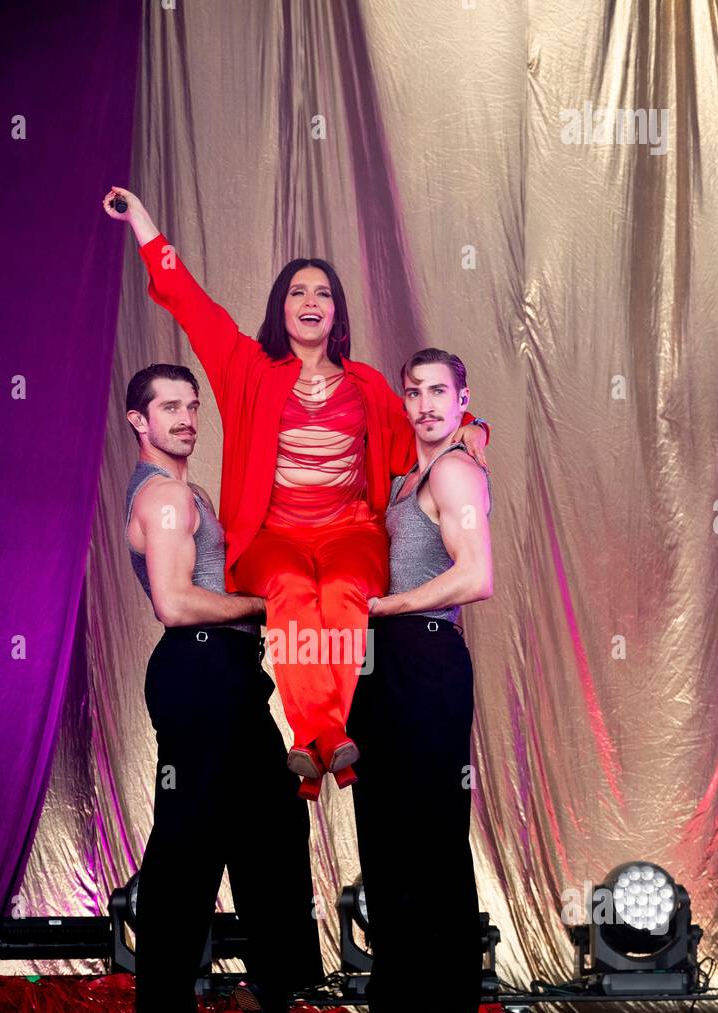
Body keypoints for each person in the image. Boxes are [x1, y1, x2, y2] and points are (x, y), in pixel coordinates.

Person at [103, 188, 490, 799]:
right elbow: (189, 302)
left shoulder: (365, 384)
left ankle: (315, 744)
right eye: (298, 292)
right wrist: (143, 225)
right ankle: (326, 736)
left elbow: (420, 434)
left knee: (340, 593)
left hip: (350, 531)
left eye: (324, 293)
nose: (311, 301)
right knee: (285, 592)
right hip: (272, 534)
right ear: (280, 308)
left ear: (336, 312)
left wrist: (473, 429)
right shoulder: (245, 367)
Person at [124, 363, 322, 1013]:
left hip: (231, 675)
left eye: (192, 406)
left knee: (269, 824)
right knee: (188, 847)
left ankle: (265, 997)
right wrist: (270, 606)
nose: (185, 419)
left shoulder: (192, 493)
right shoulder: (166, 501)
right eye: (168, 407)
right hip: (199, 671)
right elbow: (175, 603)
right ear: (138, 422)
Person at [340, 348, 493, 1013]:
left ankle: (450, 1010)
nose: (426, 404)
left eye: (440, 391)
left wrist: (391, 604)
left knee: (432, 836)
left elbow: (477, 575)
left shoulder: (455, 471)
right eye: (415, 392)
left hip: (426, 652)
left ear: (461, 400)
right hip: (382, 664)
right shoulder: (406, 481)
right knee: (386, 841)